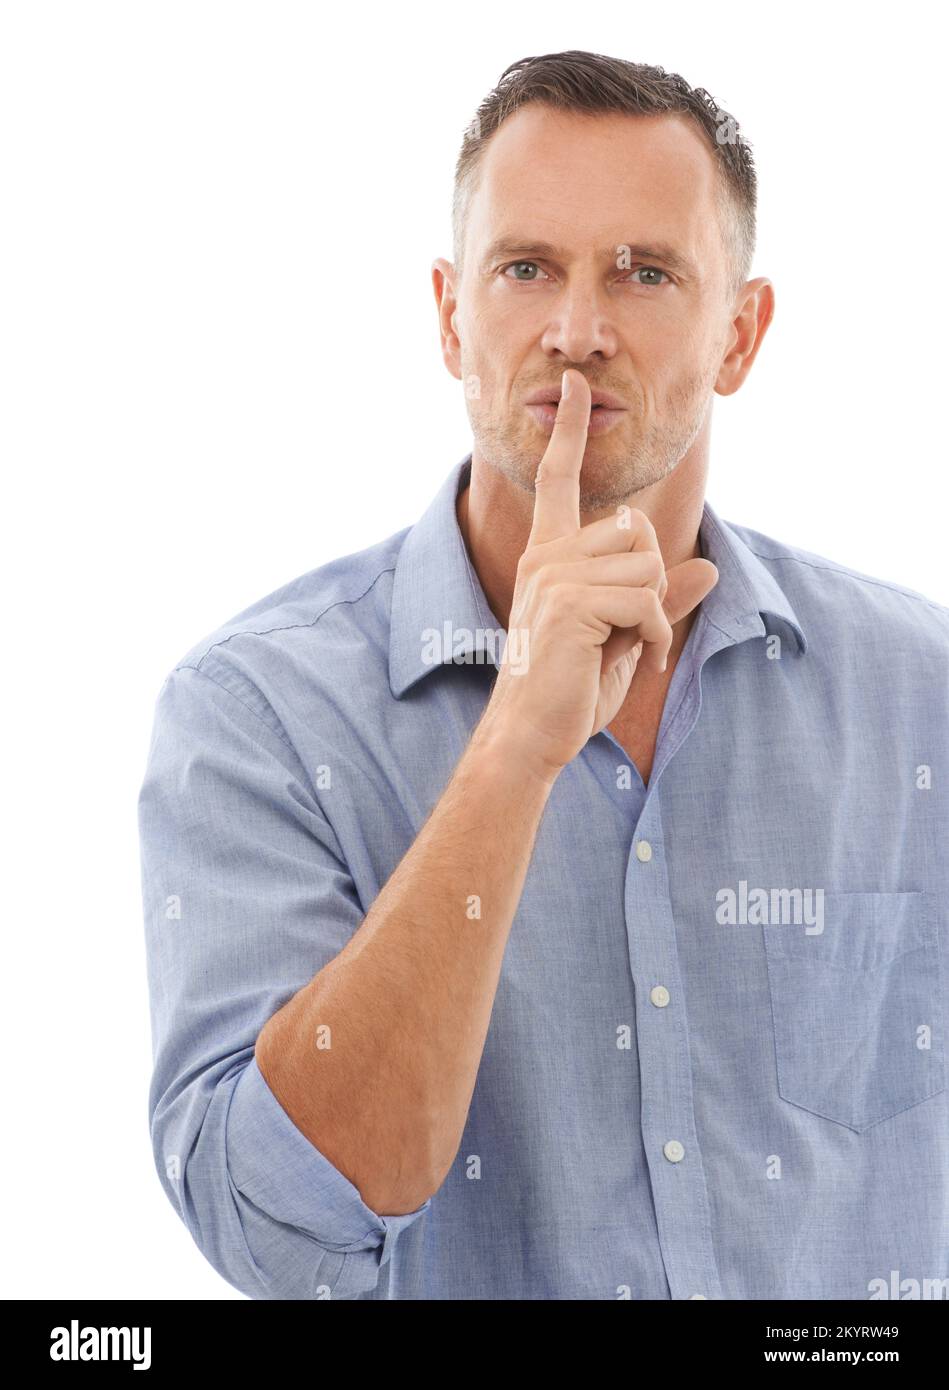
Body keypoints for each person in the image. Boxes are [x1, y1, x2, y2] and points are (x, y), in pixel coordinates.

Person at [138, 51, 949, 1301]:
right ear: (450, 315)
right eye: (525, 269)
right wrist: (516, 744)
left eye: (645, 271)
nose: (577, 330)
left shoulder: (920, 698)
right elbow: (282, 1239)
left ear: (741, 332)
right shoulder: (254, 714)